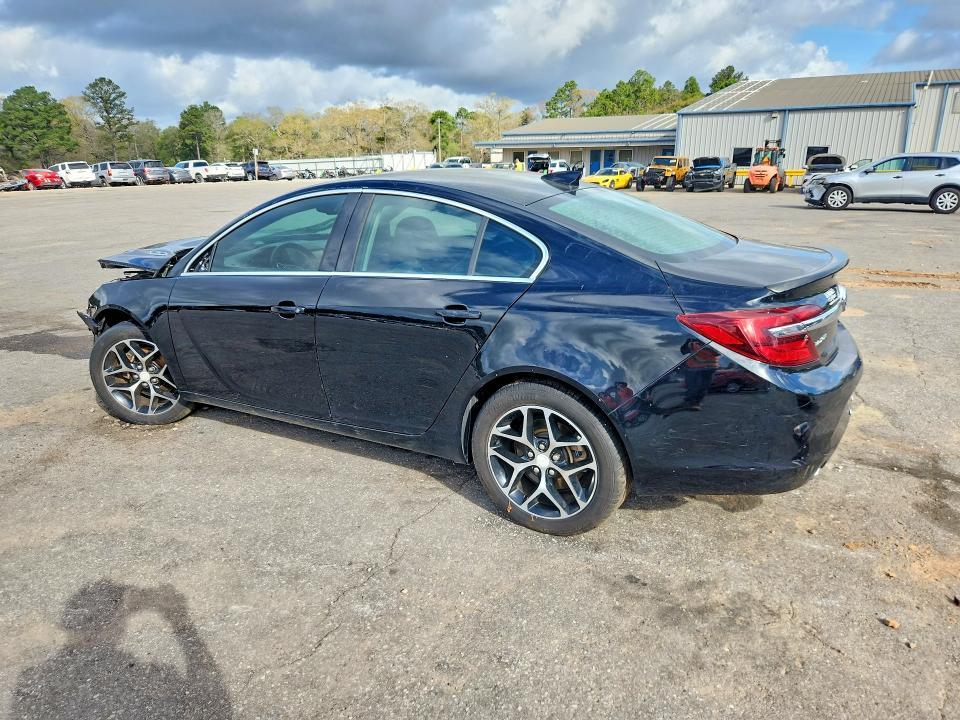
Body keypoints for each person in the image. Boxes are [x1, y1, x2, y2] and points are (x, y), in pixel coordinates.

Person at [12, 579, 232, 720]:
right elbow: (217, 709)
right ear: (118, 623)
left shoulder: (32, 685)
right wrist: (182, 623)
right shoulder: (150, 680)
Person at [680, 339, 719, 410]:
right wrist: (688, 343)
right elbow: (683, 351)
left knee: (703, 387)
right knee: (694, 386)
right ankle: (690, 402)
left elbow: (718, 353)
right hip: (695, 368)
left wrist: (707, 347)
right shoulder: (692, 343)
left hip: (707, 368)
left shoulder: (713, 341)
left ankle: (695, 402)